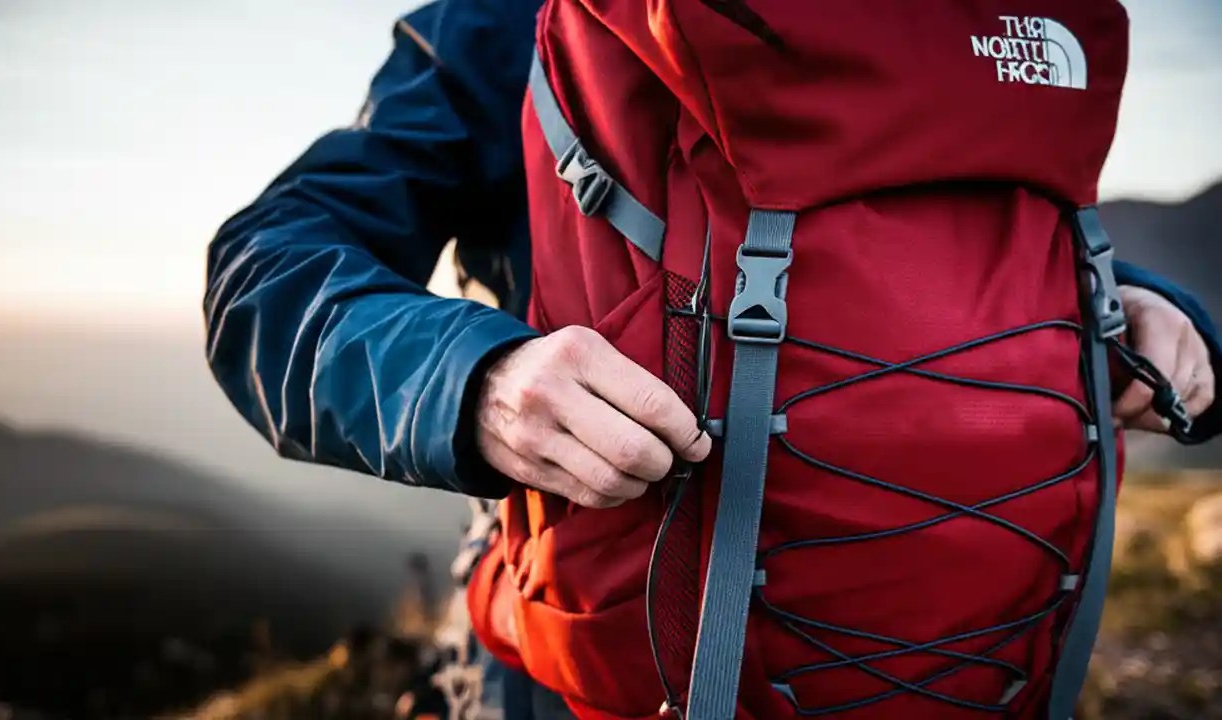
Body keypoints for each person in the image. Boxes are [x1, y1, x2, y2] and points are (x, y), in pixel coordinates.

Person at [204, 1, 1221, 717]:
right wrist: (477, 381)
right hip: (925, 665)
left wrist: (1112, 307)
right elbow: (265, 275)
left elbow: (926, 240)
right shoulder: (511, 19)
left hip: (967, 663)